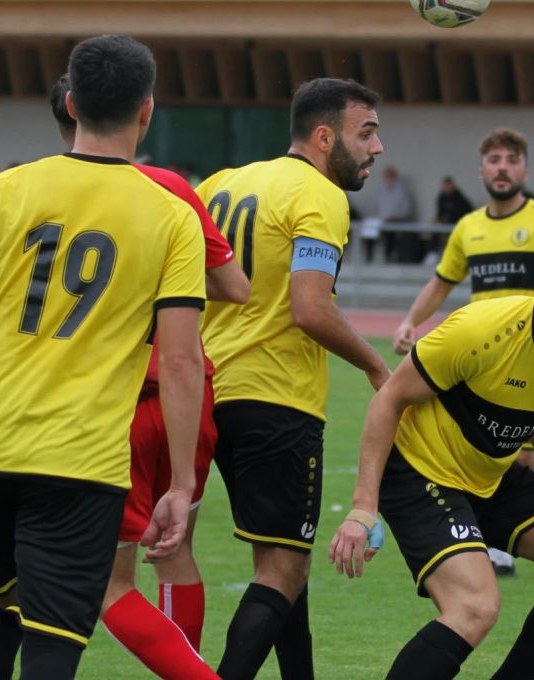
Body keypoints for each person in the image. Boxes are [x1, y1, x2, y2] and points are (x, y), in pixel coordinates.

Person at [0, 34, 206, 679]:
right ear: (147, 110)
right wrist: (181, 483)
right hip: (80, 462)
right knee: (52, 642)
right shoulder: (171, 216)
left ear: (69, 102)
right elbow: (180, 361)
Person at [331, 238, 534, 680]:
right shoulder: (481, 331)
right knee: (474, 608)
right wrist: (363, 508)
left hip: (490, 474)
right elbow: (389, 400)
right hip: (421, 472)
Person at [49, 74, 246, 679]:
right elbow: (235, 287)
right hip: (191, 394)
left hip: (119, 402)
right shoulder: (169, 187)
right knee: (177, 547)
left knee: (111, 583)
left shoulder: (38, 192)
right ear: (142, 111)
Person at [198, 77, 392, 679]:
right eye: (367, 133)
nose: (378, 148)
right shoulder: (322, 196)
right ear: (324, 135)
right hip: (277, 399)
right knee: (281, 571)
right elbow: (310, 310)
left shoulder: (220, 183)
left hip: (209, 391)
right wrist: (376, 365)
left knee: (286, 561)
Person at [392, 127, 534, 575]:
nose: (502, 168)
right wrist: (412, 320)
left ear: (524, 170)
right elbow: (442, 281)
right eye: (493, 160)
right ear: (481, 171)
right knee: (506, 450)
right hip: (482, 358)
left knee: (522, 453)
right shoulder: (468, 228)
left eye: (511, 160)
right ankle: (523, 535)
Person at [367, 164, 415, 262]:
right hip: (381, 221)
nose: (388, 179)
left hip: (395, 221)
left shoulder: (402, 191)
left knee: (390, 232)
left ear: (394, 177)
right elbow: (375, 208)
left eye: (390, 176)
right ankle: (369, 258)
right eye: (386, 176)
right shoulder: (381, 190)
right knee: (368, 229)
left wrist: (394, 217)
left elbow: (406, 210)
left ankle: (388, 257)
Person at [430, 175, 474, 262]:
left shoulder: (459, 198)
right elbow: (440, 213)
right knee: (435, 230)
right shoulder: (441, 197)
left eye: (447, 185)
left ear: (451, 185)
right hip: (446, 224)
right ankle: (433, 254)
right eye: (444, 186)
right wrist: (438, 220)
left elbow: (464, 215)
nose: (446, 188)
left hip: (460, 224)